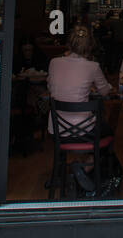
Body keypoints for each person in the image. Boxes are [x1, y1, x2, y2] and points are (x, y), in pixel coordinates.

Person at [46, 25, 113, 193]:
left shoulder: (54, 62)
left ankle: (62, 173)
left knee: (97, 127)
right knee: (108, 132)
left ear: (69, 44)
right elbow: (105, 91)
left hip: (57, 130)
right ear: (90, 46)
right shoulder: (93, 66)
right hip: (83, 131)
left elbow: (50, 86)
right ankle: (86, 167)